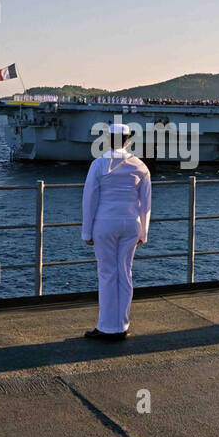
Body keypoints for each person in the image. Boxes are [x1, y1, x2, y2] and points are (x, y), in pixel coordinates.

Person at [81, 122, 151, 341]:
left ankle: (106, 327)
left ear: (107, 139)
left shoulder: (99, 164)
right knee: (125, 272)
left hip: (105, 224)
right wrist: (143, 233)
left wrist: (87, 232)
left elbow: (89, 199)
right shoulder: (140, 166)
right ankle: (122, 325)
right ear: (128, 141)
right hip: (131, 224)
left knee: (107, 273)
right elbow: (146, 203)